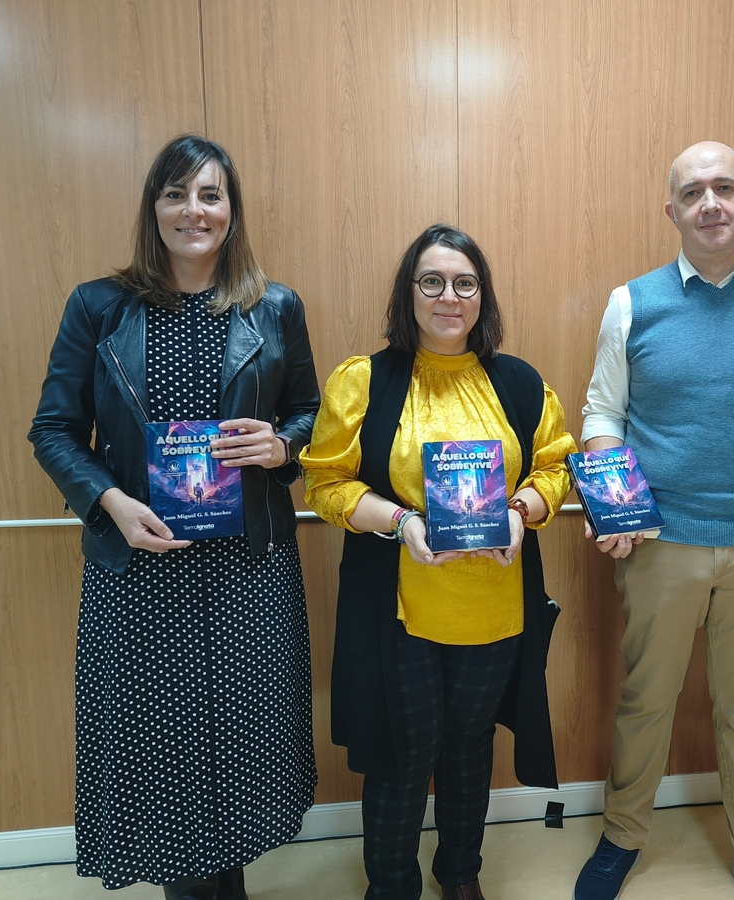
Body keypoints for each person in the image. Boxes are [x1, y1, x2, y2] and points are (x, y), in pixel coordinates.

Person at [28, 134, 320, 899]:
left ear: (232, 210)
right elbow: (54, 430)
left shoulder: (275, 307)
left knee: (242, 742)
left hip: (247, 567)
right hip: (141, 563)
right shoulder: (99, 306)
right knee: (161, 745)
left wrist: (281, 445)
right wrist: (111, 503)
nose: (194, 210)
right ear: (153, 208)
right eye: (176, 193)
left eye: (210, 195)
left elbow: (309, 413)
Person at [575, 141, 734, 900]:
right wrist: (615, 503)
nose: (710, 203)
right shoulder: (632, 303)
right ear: (673, 211)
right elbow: (603, 413)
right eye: (693, 192)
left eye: (724, 188)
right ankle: (622, 836)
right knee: (645, 702)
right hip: (659, 542)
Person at [299, 224, 575, 900]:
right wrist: (401, 522)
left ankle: (460, 876)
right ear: (409, 293)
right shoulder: (365, 380)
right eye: (432, 281)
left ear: (482, 296)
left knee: (469, 750)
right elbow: (326, 485)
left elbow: (555, 466)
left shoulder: (519, 383)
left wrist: (523, 510)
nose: (449, 297)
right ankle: (392, 886)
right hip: (401, 610)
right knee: (400, 757)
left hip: (495, 608)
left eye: (464, 283)